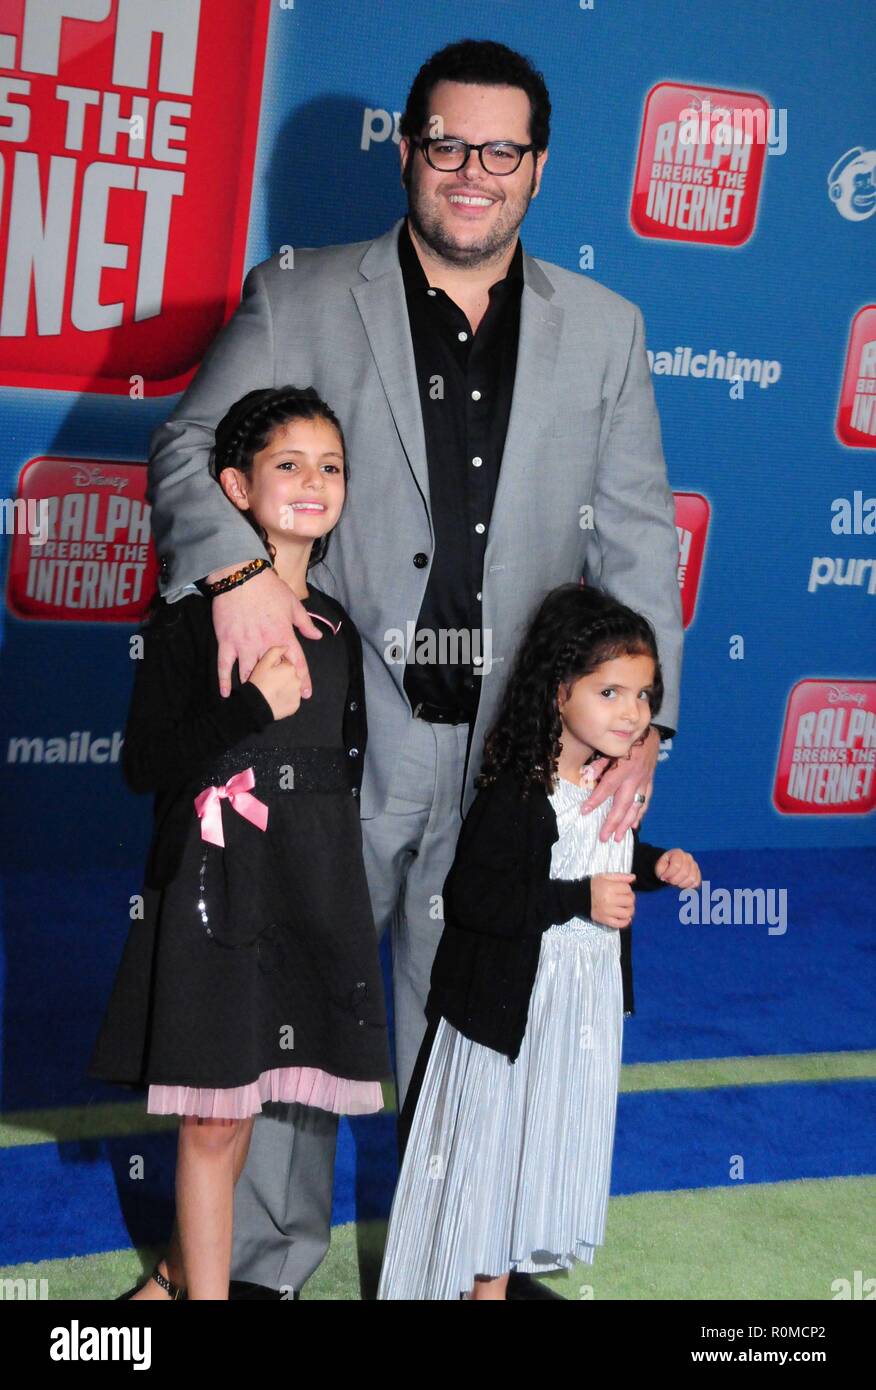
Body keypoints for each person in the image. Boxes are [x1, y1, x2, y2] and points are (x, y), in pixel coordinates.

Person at [147, 39, 684, 1298]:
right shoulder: (301, 296)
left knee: (487, 1011)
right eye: (448, 143)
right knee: (293, 1010)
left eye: (502, 151)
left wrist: (646, 727)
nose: (473, 172)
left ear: (540, 170)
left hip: (517, 751)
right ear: (410, 149)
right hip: (338, 741)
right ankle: (262, 1267)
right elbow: (184, 450)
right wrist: (232, 580)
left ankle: (459, 1262)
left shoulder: (606, 332)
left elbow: (644, 539)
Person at [89, 387, 391, 1300]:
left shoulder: (339, 627)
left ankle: (178, 1275)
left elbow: (343, 765)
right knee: (213, 1119)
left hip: (306, 888)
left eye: (330, 467)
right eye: (287, 465)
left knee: (254, 1095)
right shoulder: (188, 617)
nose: (313, 483)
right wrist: (252, 705)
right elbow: (145, 766)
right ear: (233, 487)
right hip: (215, 892)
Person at [378, 584, 700, 1300]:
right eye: (611, 691)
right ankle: (477, 1287)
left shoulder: (605, 783)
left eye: (645, 697)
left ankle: (494, 1285)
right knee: (485, 1171)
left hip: (569, 1019)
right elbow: (475, 898)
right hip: (506, 1022)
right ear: (559, 692)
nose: (634, 713)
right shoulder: (518, 794)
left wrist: (653, 865)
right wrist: (577, 899)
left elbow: (603, 852)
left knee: (529, 1162)